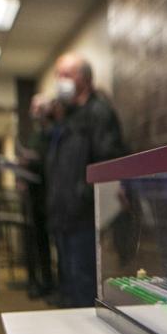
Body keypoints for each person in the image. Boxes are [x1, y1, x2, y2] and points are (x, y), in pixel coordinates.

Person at [45, 54, 125, 307]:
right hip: (63, 215)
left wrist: (82, 197)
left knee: (83, 285)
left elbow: (108, 162)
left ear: (85, 78)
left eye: (66, 75)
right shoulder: (68, 117)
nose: (60, 81)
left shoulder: (99, 112)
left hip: (83, 217)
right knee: (68, 282)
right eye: (58, 75)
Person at [19, 95, 55, 298]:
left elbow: (51, 164)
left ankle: (57, 285)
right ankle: (45, 282)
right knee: (39, 243)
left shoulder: (55, 133)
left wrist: (34, 161)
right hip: (35, 197)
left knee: (57, 243)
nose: (34, 111)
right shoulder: (35, 136)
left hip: (51, 196)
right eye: (32, 107)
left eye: (38, 107)